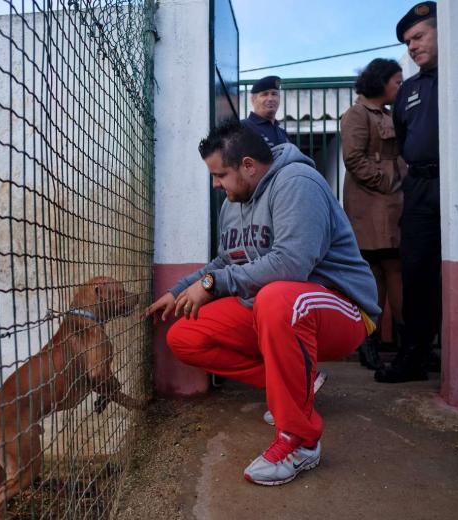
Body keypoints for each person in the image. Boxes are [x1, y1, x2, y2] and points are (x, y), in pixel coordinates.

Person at [144, 119, 379, 486]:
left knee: (275, 297)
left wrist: (213, 284)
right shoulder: (233, 203)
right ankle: (297, 385)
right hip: (277, 309)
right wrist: (180, 290)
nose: (215, 185)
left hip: (340, 307)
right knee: (185, 335)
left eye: (220, 175)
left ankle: (300, 440)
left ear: (248, 165)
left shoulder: (297, 183)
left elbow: (292, 264)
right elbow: (226, 262)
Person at [375, 1, 440, 383]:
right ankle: (413, 356)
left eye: (418, 36)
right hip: (419, 187)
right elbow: (402, 139)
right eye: (407, 41)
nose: (412, 45)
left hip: (456, 182)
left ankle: (439, 349)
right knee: (415, 270)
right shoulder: (409, 91)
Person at [341, 58, 407, 370]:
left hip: (389, 200)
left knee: (390, 268)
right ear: (381, 82)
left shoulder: (386, 113)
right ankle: (371, 342)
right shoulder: (356, 114)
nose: (400, 86)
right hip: (370, 202)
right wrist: (386, 180)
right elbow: (353, 158)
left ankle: (399, 341)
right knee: (378, 270)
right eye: (396, 81)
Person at [241, 75, 289, 148]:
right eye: (264, 94)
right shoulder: (242, 127)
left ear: (279, 98)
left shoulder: (283, 133)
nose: (270, 99)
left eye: (274, 94)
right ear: (253, 100)